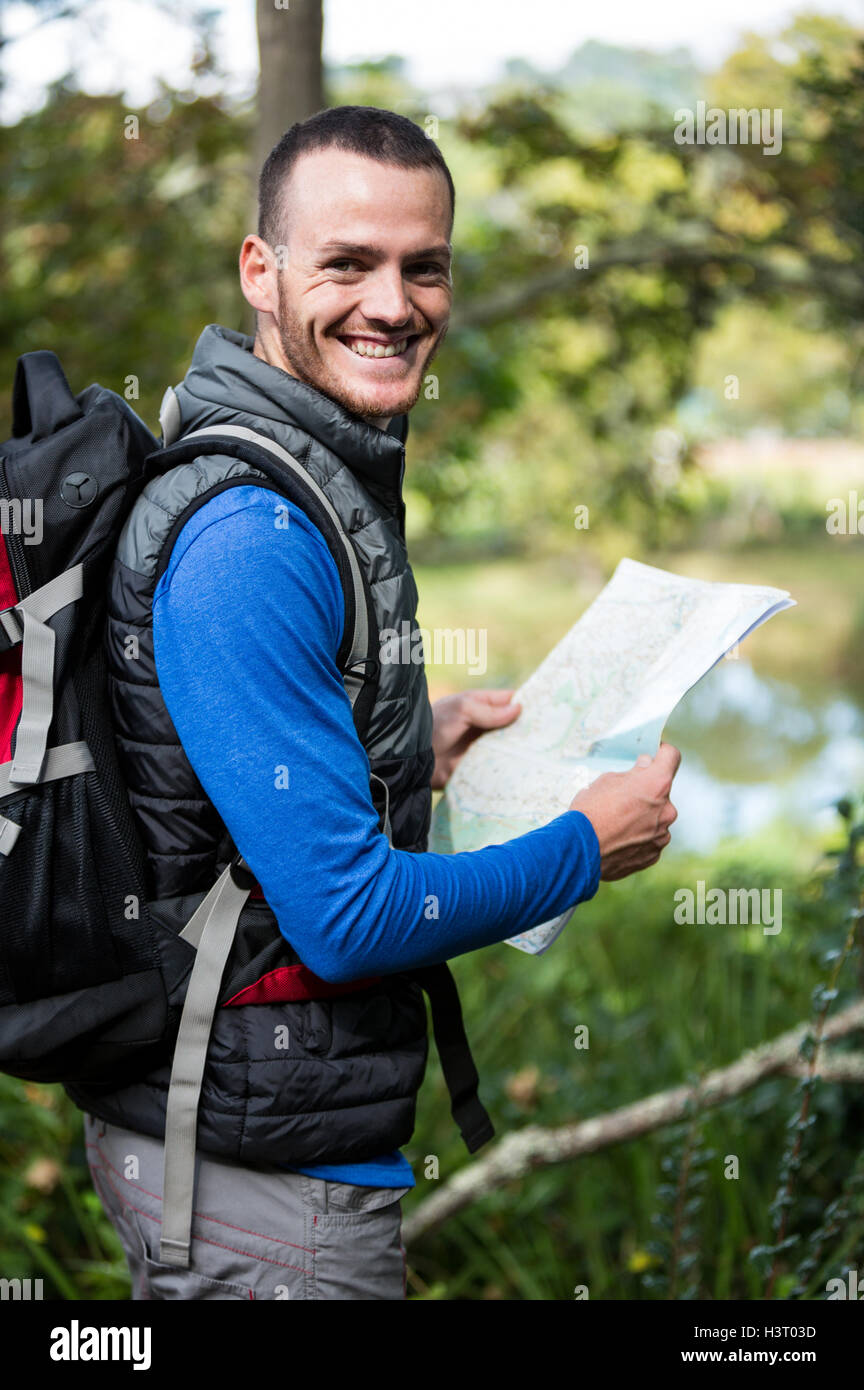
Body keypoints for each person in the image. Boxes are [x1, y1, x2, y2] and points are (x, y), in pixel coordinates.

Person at [77, 106, 679, 1300]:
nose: (392, 304)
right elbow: (348, 918)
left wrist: (412, 741)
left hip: (240, 1147)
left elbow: (215, 780)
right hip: (267, 1200)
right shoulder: (252, 532)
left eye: (424, 266)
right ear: (262, 269)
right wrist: (582, 846)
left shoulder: (288, 466)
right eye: (347, 262)